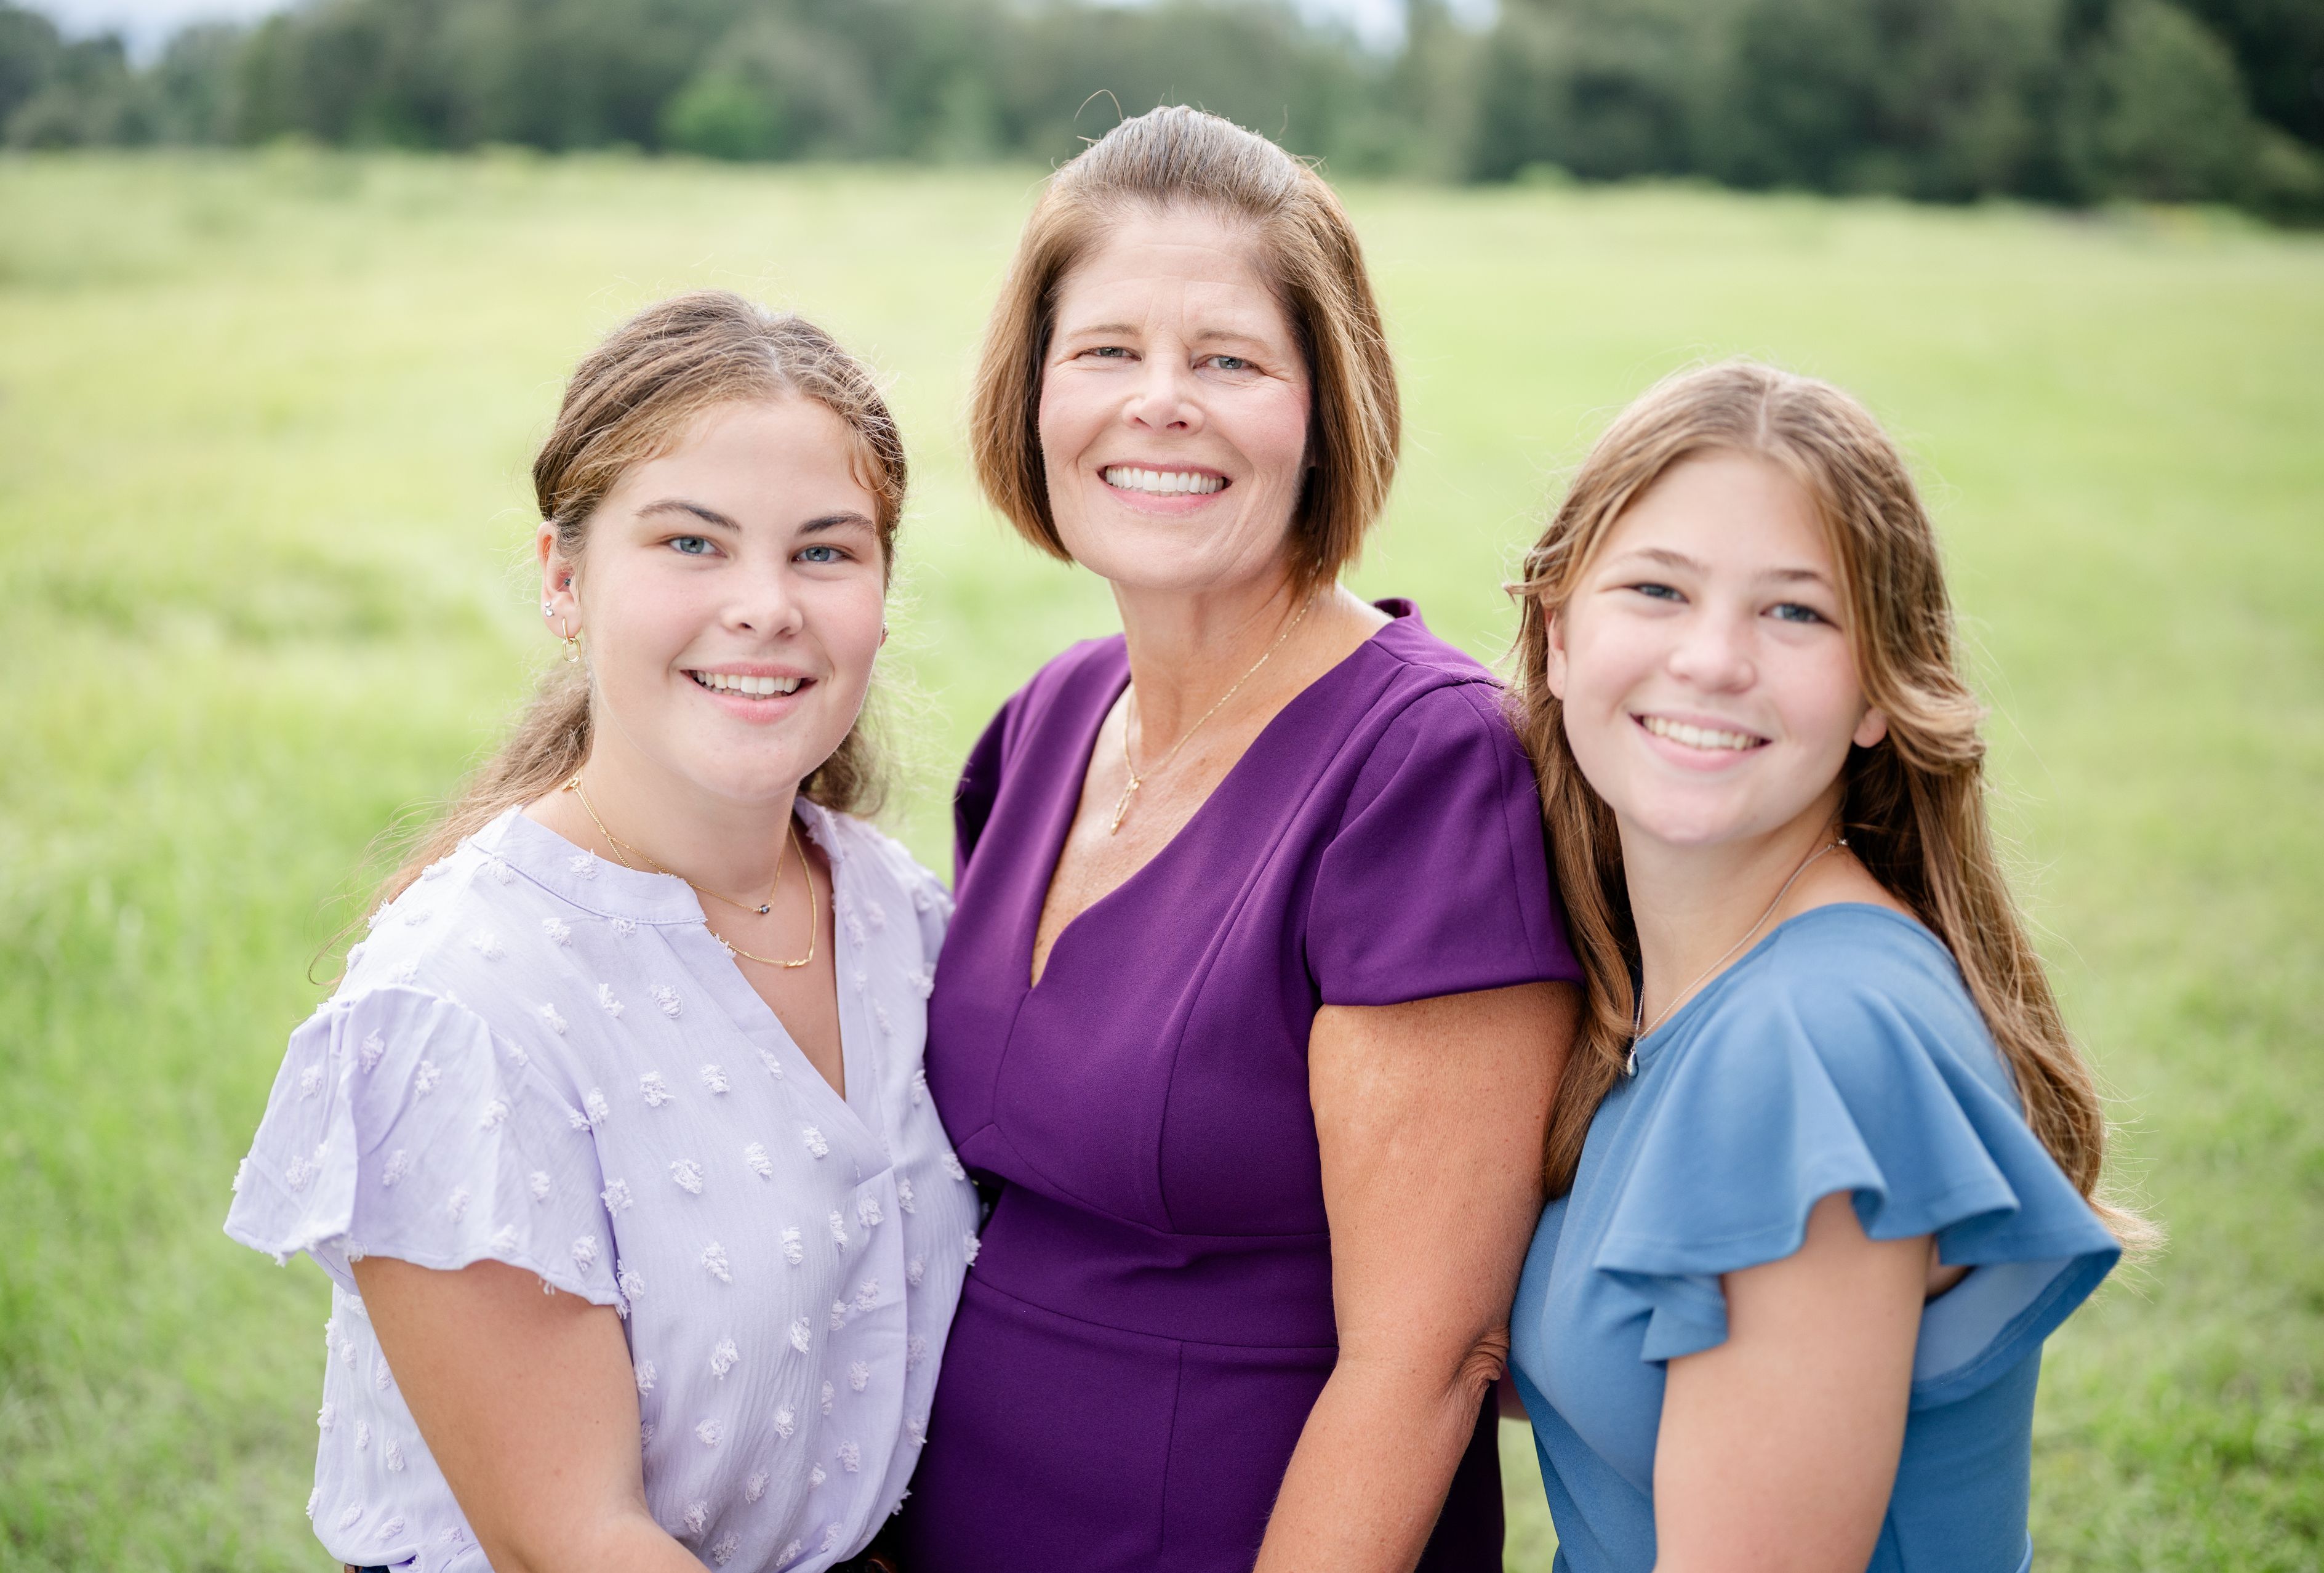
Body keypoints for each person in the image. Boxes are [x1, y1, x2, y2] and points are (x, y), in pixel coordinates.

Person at [902, 106, 1584, 1573]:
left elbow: (1431, 1355)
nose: (1161, 403)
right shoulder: (1048, 723)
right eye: (1106, 352)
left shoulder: (1423, 768)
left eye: (1228, 359)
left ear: (1323, 408)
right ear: (1035, 394)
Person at [224, 292, 977, 1573]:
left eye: (825, 552)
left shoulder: (903, 915)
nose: (765, 606)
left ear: (883, 595)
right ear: (563, 581)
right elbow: (579, 1543)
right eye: (691, 544)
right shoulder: (460, 1004)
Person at [1502, 360, 2144, 1572]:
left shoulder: (1815, 1045)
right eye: (1656, 588)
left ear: (1876, 692)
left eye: (1794, 612)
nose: (1712, 659)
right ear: (1559, 634)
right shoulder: (1664, 993)